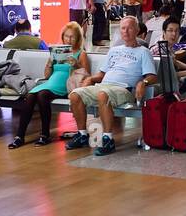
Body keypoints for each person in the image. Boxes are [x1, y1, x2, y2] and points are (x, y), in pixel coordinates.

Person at [65, 16, 157, 157]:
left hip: (124, 89)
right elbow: (102, 74)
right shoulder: (114, 50)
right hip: (104, 85)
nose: (125, 31)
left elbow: (152, 76)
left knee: (103, 94)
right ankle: (82, 135)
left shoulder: (143, 52)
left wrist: (143, 83)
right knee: (75, 95)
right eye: (123, 28)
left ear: (137, 30)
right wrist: (90, 78)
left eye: (130, 28)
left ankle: (108, 139)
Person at [10, 22, 91, 148]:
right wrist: (50, 62)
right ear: (63, 37)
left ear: (78, 38)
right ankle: (20, 135)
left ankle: (45, 134)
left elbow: (86, 73)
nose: (69, 40)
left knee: (42, 95)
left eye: (72, 37)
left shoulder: (81, 53)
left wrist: (76, 64)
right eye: (66, 36)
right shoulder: (57, 51)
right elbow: (47, 75)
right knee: (31, 96)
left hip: (67, 84)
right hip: (51, 82)